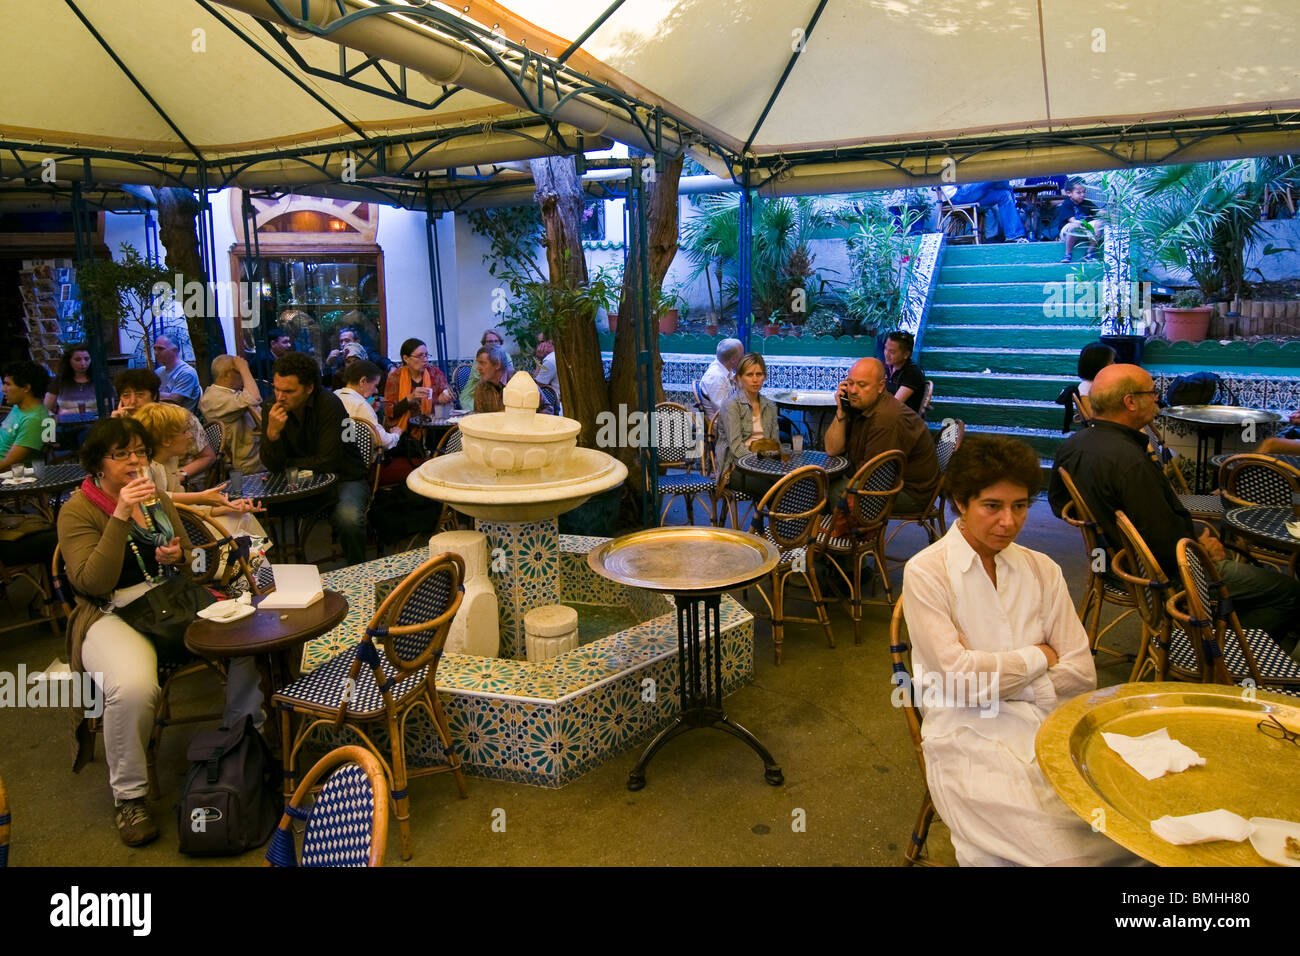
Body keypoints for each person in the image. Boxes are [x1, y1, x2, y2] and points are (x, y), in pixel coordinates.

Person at [902, 434, 1138, 867]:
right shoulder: (927, 573)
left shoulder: (1041, 569)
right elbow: (959, 682)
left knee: (1135, 828)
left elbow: (1083, 673)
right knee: (1059, 856)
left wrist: (996, 681)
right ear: (960, 502)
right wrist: (1039, 657)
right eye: (992, 506)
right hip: (966, 735)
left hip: (1050, 725)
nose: (1008, 522)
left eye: (1021, 506)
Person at [57, 416, 263, 845]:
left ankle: (239, 742)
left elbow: (196, 562)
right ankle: (129, 798)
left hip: (170, 599)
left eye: (140, 452)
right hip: (109, 612)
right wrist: (119, 515)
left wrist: (179, 558)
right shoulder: (77, 510)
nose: (135, 462)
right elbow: (91, 583)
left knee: (248, 636)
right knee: (133, 688)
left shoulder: (156, 500)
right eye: (122, 455)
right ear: (97, 464)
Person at [1049, 364, 1300, 645]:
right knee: (1289, 593)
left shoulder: (1073, 445)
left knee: (1247, 572)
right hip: (1161, 575)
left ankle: (1217, 635)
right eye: (1151, 392)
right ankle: (1220, 657)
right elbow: (1164, 541)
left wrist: (1098, 525)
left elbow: (1060, 505)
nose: (1157, 398)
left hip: (1110, 564)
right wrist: (1199, 545)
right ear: (1130, 402)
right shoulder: (1130, 461)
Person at [260, 351, 369, 566]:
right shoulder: (271, 407)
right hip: (301, 480)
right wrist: (272, 435)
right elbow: (271, 465)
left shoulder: (330, 404)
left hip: (345, 477)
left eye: (289, 391)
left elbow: (328, 461)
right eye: (276, 389)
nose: (280, 397)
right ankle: (267, 581)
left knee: (348, 519)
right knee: (251, 510)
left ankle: (359, 573)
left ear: (309, 388)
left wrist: (287, 466)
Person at [132, 402, 267, 539]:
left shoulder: (170, 461)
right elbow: (158, 499)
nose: (190, 435)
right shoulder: (143, 468)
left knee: (242, 516)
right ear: (166, 440)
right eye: (184, 431)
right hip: (166, 536)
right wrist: (202, 497)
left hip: (185, 523)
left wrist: (225, 508)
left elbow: (183, 506)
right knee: (234, 531)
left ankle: (253, 560)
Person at [823, 357, 941, 512]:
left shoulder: (887, 419)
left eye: (862, 385)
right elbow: (833, 449)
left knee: (832, 490)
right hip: (882, 480)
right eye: (850, 383)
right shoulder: (861, 404)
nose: (852, 390)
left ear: (881, 387)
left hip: (909, 494)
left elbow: (872, 477)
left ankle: (842, 534)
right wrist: (841, 409)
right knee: (822, 483)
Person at [112, 369, 216, 487]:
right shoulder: (123, 421)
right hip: (141, 482)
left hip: (184, 482)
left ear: (154, 395)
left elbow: (208, 457)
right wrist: (114, 427)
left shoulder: (177, 416)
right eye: (126, 396)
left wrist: (180, 475)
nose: (132, 401)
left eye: (140, 395)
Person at [715, 353, 778, 497]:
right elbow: (736, 448)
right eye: (749, 375)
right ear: (739, 378)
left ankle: (763, 517)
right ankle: (763, 517)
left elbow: (774, 444)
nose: (755, 379)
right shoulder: (732, 406)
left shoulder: (770, 406)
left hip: (765, 465)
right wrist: (761, 462)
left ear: (765, 377)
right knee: (777, 488)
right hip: (736, 469)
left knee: (796, 480)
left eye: (759, 374)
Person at [382, 338, 452, 448]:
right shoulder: (395, 377)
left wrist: (442, 399)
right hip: (404, 432)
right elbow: (389, 411)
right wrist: (409, 399)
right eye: (420, 356)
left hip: (432, 430)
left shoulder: (435, 373)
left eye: (426, 355)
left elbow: (446, 399)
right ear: (406, 358)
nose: (425, 360)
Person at [199, 354, 263, 473]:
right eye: (239, 372)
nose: (243, 376)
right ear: (227, 374)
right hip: (247, 465)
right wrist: (245, 369)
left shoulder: (231, 393)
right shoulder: (213, 398)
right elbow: (254, 398)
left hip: (257, 457)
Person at [0, 360, 54, 470]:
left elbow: (8, 464)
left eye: (8, 384)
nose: (3, 389)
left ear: (26, 388)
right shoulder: (19, 407)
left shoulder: (34, 420)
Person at [336, 359, 400, 451]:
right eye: (375, 385)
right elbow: (383, 441)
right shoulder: (361, 405)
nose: (376, 391)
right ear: (363, 381)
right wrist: (396, 435)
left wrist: (369, 408)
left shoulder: (336, 394)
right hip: (355, 459)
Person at [943, 180, 1028, 242]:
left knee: (1004, 194)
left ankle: (1013, 235)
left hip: (966, 194)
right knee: (996, 175)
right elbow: (961, 181)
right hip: (957, 196)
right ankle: (1016, 203)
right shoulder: (946, 161)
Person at [44, 343, 105, 419]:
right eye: (77, 360)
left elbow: (108, 409)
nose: (83, 363)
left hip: (95, 424)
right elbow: (46, 409)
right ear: (69, 361)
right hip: (65, 426)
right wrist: (57, 418)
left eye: (86, 359)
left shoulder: (100, 379)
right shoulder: (60, 380)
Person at [459, 329, 515, 406]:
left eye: (496, 341)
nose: (493, 344)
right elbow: (482, 379)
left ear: (500, 342)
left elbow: (508, 376)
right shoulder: (481, 357)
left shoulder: (506, 356)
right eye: (490, 342)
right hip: (474, 393)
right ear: (484, 344)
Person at [1053, 178, 1104, 262]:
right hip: (1068, 232)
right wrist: (1082, 225)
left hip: (1084, 230)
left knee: (1099, 223)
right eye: (1079, 192)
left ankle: (1089, 253)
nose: (1082, 195)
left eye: (1084, 192)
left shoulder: (1087, 203)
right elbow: (1072, 220)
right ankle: (1067, 254)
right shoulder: (1067, 204)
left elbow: (1097, 212)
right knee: (1075, 224)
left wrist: (1104, 212)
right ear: (1069, 193)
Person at [152, 334, 201, 411]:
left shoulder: (187, 373)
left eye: (160, 349)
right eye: (155, 348)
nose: (156, 352)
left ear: (175, 350)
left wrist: (149, 394)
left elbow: (174, 400)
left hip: (180, 420)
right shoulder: (158, 372)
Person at [883, 330, 926, 415]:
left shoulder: (912, 373)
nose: (886, 354)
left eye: (892, 352)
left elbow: (895, 404)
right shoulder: (889, 367)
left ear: (906, 354)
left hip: (904, 421)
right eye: (885, 348)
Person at [699, 337, 743, 417]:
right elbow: (725, 412)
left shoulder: (725, 369)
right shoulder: (716, 377)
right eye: (741, 357)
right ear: (733, 360)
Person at [465, 345, 510, 414]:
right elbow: (479, 417)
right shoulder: (480, 387)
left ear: (497, 365)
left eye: (482, 363)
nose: (478, 368)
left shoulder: (518, 384)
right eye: (478, 363)